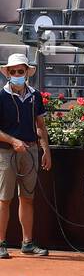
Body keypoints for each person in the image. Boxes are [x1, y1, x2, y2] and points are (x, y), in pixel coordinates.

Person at [0, 53, 51, 259]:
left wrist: (46, 149)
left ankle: (27, 243)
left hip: (30, 151)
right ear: (8, 74)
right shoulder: (1, 96)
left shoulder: (35, 96)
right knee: (4, 200)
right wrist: (13, 141)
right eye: (13, 72)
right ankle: (1, 243)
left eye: (21, 71)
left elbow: (40, 126)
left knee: (27, 198)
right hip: (5, 153)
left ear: (26, 73)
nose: (17, 74)